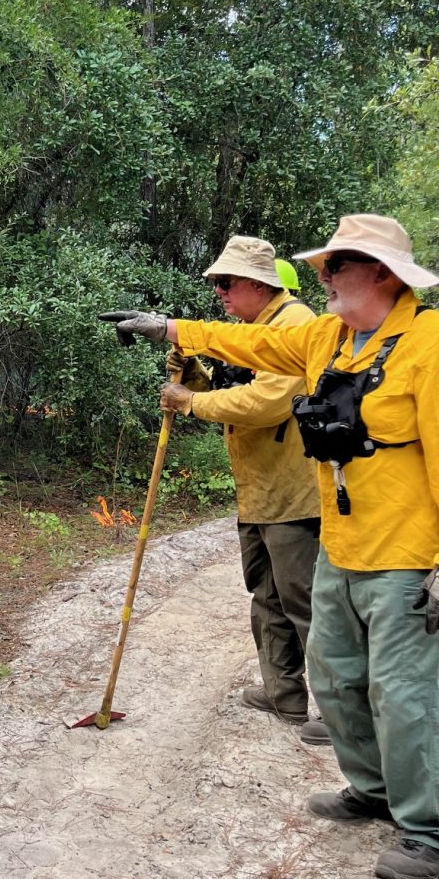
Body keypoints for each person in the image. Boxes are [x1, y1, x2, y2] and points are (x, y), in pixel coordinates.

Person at [102, 215, 439, 879]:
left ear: (380, 273)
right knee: (337, 676)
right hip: (341, 545)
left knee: (404, 696)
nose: (323, 277)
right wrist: (166, 328)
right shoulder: (328, 338)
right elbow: (241, 343)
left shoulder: (427, 346)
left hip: (403, 553)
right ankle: (370, 791)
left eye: (335, 266)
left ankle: (426, 829)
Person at [160, 236, 325, 741]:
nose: (219, 292)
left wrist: (189, 402)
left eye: (226, 283)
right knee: (267, 594)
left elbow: (266, 405)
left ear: (258, 282)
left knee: (307, 602)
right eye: (216, 283)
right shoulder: (251, 330)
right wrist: (196, 378)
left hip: (295, 493)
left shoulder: (296, 325)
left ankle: (344, 716)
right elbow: (233, 395)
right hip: (259, 490)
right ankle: (284, 693)